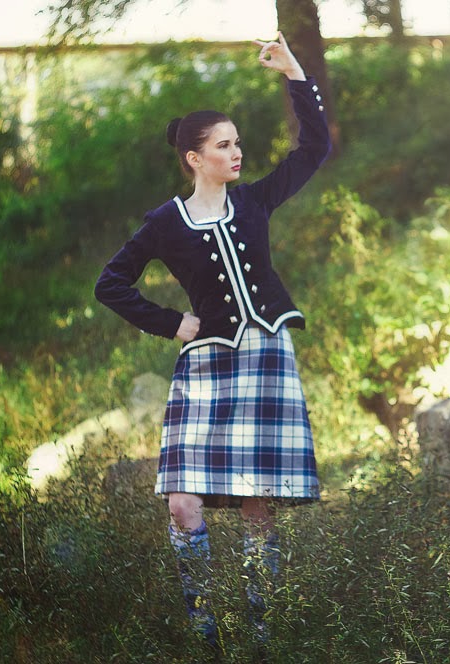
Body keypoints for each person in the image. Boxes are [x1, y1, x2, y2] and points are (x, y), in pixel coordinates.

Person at [94, 33, 330, 648]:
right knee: (181, 503)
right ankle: (203, 627)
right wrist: (172, 322)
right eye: (223, 145)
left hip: (267, 354)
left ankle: (262, 632)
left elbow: (316, 146)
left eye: (237, 143)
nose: (237, 152)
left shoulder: (254, 201)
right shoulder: (165, 223)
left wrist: (295, 74)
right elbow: (110, 284)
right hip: (203, 365)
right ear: (194, 157)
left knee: (258, 505)